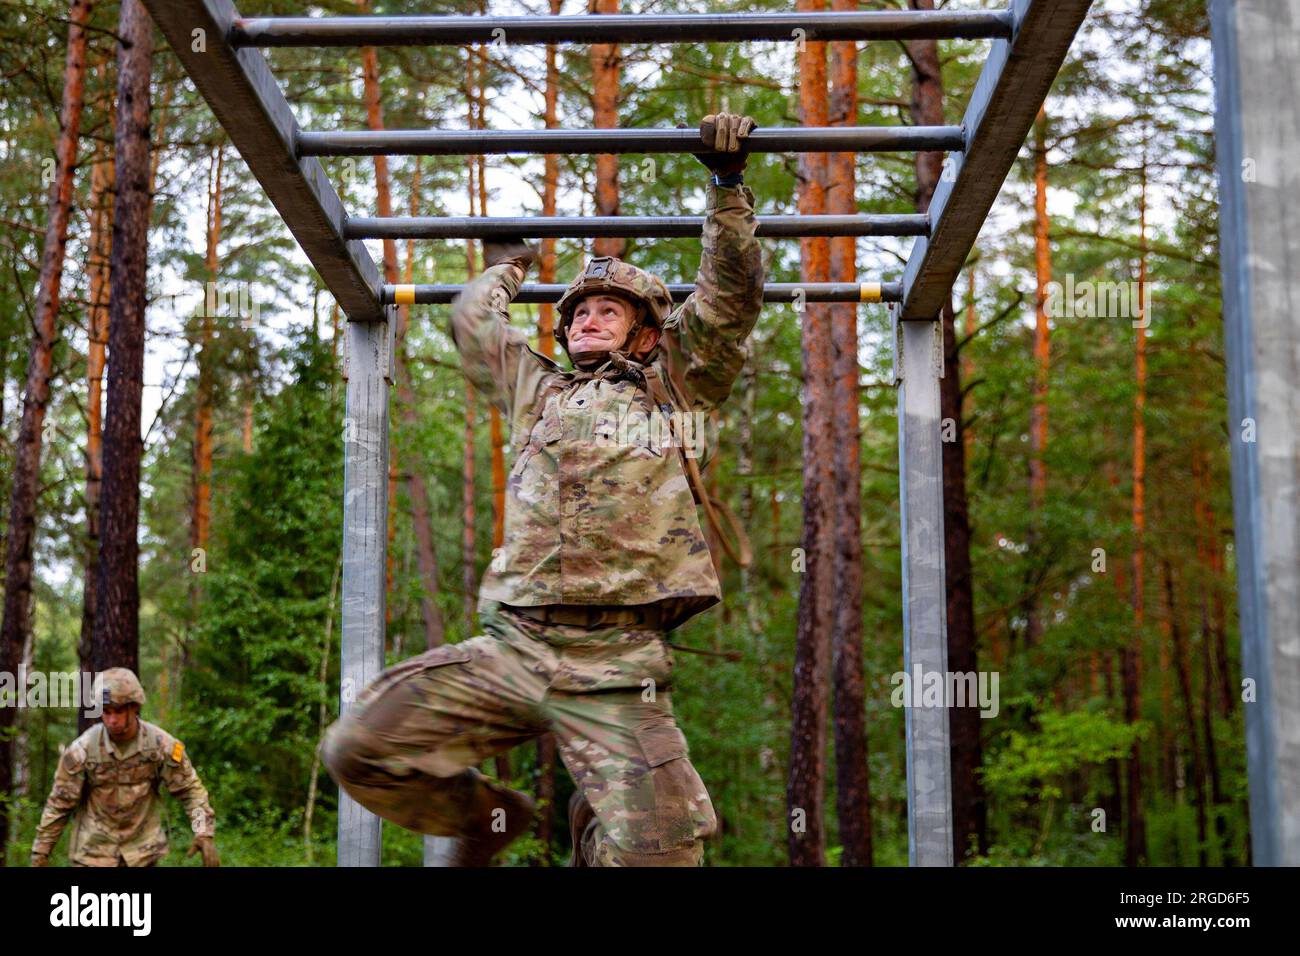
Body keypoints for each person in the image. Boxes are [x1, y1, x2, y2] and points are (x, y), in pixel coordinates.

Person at [322, 112, 764, 867]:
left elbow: (729, 298)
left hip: (617, 664)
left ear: (646, 333)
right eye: (580, 312)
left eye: (609, 311)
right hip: (517, 646)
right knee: (359, 747)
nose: (589, 319)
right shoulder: (539, 390)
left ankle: (599, 837)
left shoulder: (670, 386)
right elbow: (472, 325)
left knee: (661, 855)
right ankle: (488, 816)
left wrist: (726, 189)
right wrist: (507, 266)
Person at [30, 668, 219, 868]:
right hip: (94, 854)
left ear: (134, 708)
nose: (112, 720)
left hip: (143, 853)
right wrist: (41, 851)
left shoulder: (161, 746)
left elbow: (190, 790)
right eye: (106, 711)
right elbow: (59, 803)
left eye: (119, 711)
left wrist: (203, 832)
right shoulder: (82, 751)